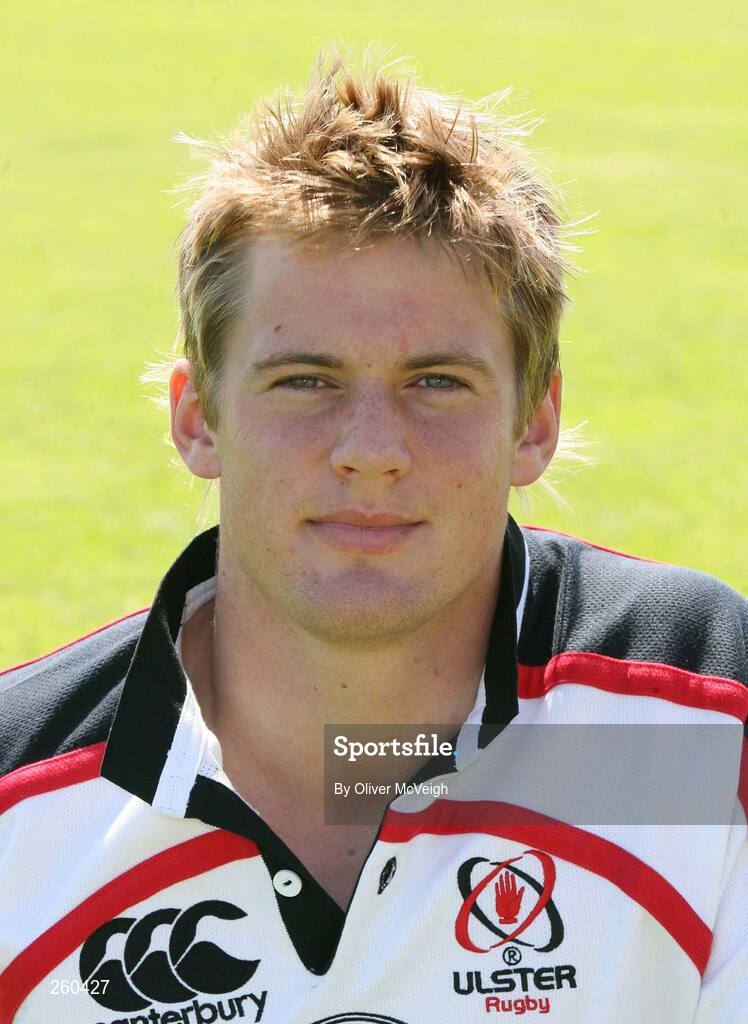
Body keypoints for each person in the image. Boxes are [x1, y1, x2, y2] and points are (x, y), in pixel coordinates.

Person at [0, 54, 745, 1024]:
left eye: (436, 381)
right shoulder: (22, 812)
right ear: (197, 418)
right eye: (304, 380)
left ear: (535, 419)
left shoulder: (696, 724)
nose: (371, 451)